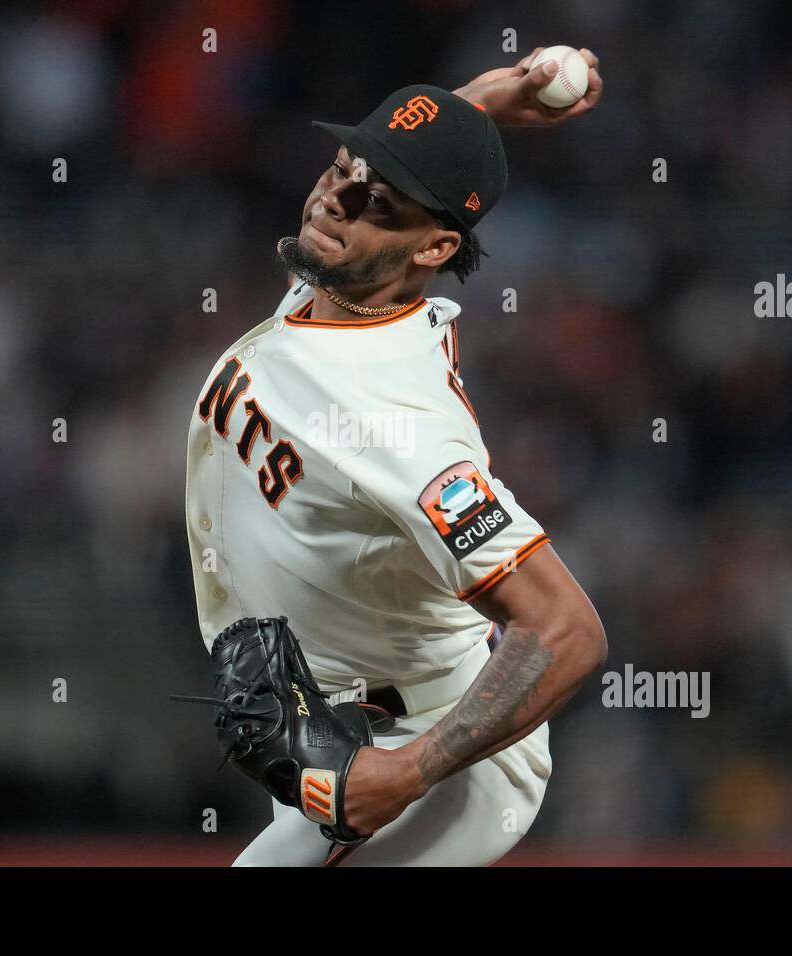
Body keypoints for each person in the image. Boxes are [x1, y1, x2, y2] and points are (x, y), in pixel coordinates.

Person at [185, 49, 608, 865]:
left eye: (372, 199)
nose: (332, 200)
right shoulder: (344, 286)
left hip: (432, 747)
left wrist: (411, 771)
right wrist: (482, 102)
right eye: (340, 166)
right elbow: (391, 171)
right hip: (358, 718)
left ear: (431, 250)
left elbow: (567, 629)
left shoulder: (397, 421)